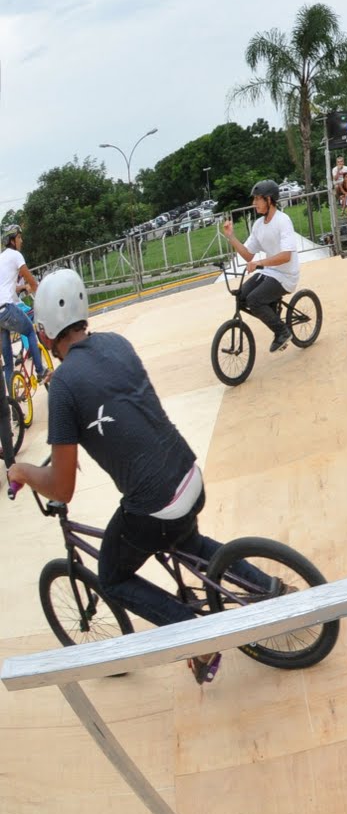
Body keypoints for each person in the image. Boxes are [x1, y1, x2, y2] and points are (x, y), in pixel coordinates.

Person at [7, 269, 277, 685]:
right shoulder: (117, 343)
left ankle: (196, 636)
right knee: (189, 542)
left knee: (112, 576)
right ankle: (270, 588)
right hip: (188, 474)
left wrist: (22, 469)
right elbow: (117, 407)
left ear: (43, 333)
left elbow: (62, 488)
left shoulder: (62, 386)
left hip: (155, 504)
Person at [219, 180, 301, 353]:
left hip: (286, 275)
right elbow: (248, 254)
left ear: (269, 200)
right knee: (241, 297)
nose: (254, 203)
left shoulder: (283, 221)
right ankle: (271, 310)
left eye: (257, 199)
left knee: (254, 300)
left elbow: (286, 256)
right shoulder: (258, 225)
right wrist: (231, 237)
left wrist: (259, 263)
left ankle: (282, 331)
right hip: (270, 273)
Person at [0, 225, 43, 392]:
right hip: (6, 307)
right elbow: (30, 279)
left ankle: (14, 404)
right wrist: (40, 294)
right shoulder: (16, 255)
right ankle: (41, 371)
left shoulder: (1, 257)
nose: (21, 240)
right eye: (19, 237)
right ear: (12, 240)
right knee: (30, 332)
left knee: (8, 361)